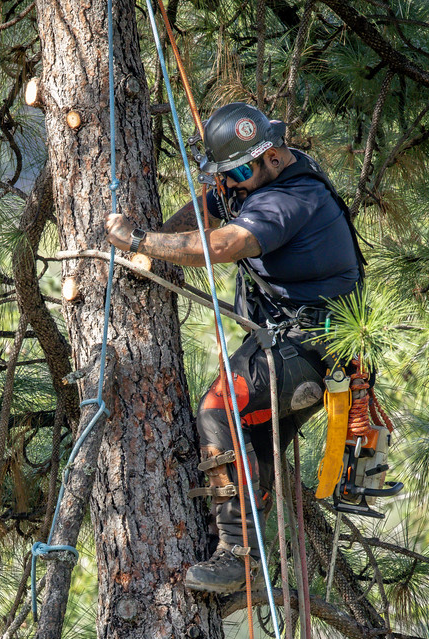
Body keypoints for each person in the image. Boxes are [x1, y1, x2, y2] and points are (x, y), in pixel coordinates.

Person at [105, 102, 363, 595]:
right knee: (254, 442)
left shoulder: (290, 198)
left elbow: (221, 245)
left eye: (243, 170)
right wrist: (159, 241)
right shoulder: (258, 182)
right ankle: (245, 559)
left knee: (220, 408)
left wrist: (139, 240)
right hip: (303, 348)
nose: (235, 182)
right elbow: (209, 208)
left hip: (304, 347)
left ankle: (237, 557)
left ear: (273, 155)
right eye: (231, 173)